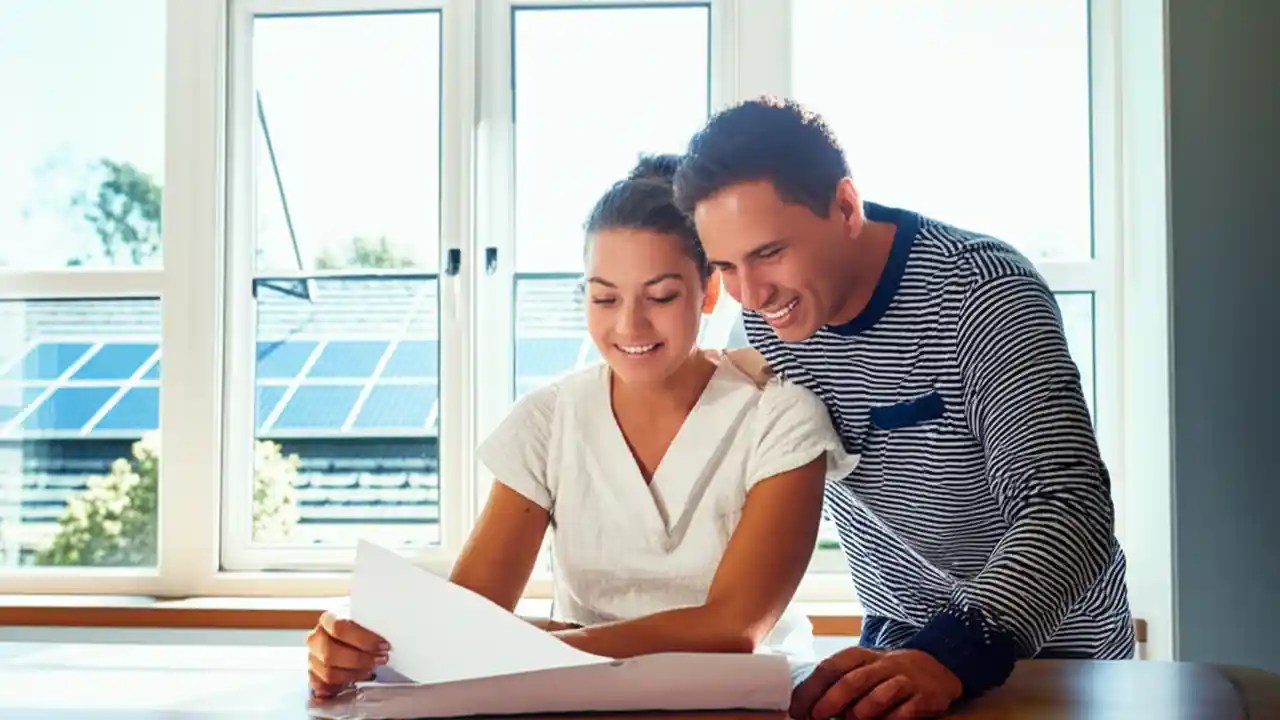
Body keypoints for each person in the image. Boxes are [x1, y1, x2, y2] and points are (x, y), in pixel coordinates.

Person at [306, 155, 856, 699]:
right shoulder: (548, 420)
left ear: (709, 291)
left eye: (660, 296)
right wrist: (358, 636)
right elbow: (465, 619)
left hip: (742, 708)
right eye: (603, 297)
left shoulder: (779, 416)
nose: (628, 325)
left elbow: (734, 629)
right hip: (577, 701)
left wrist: (548, 645)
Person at [673, 97, 1134, 719]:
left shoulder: (981, 293)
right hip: (895, 646)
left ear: (845, 206)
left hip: (1052, 649)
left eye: (770, 253)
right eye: (726, 265)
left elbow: (1068, 505)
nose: (750, 295)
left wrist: (951, 654)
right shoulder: (760, 334)